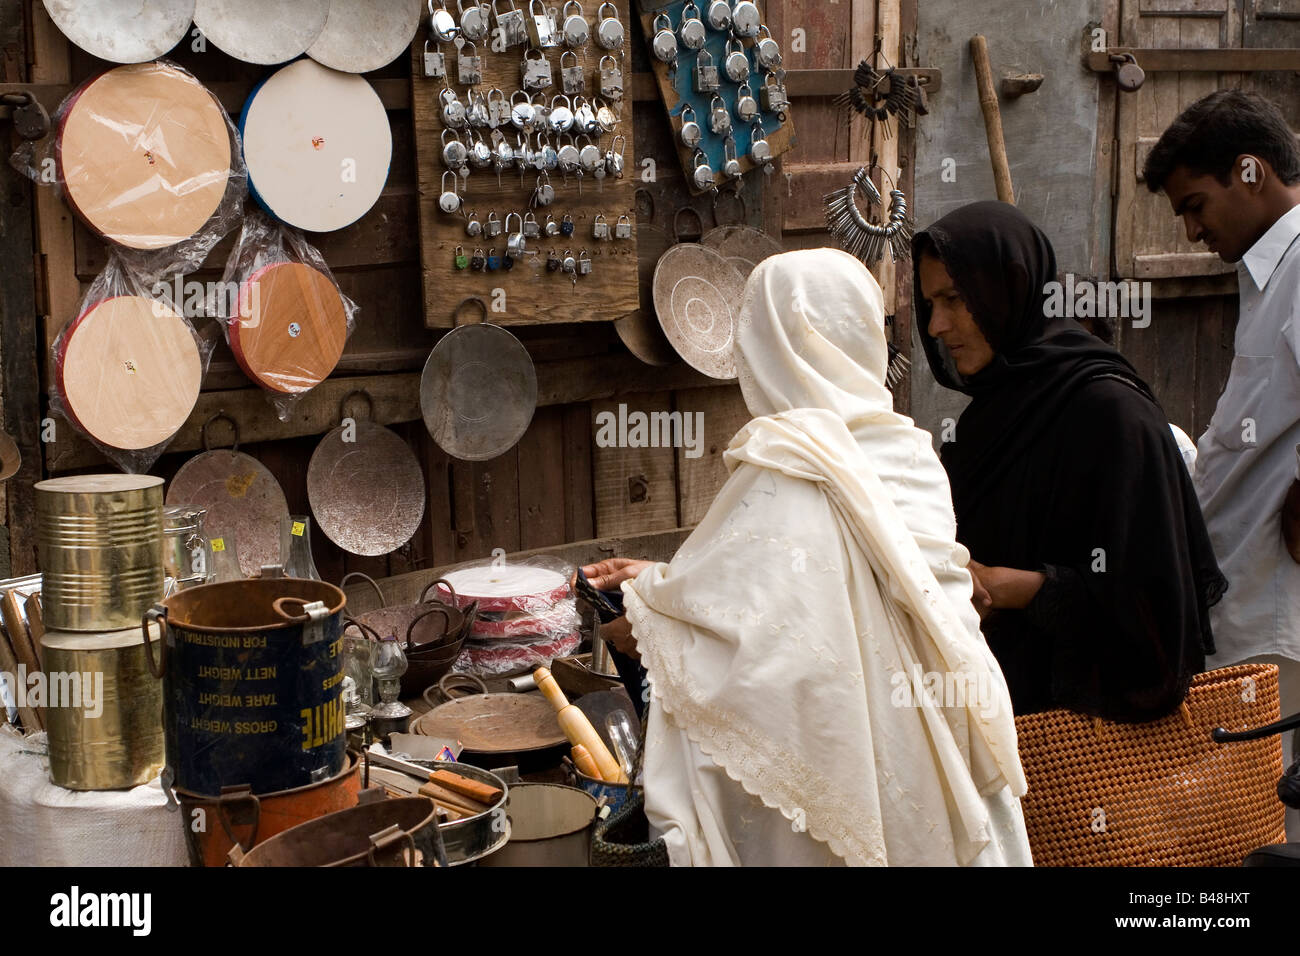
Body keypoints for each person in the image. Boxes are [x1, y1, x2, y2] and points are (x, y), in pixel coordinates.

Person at [586, 248, 1031, 866]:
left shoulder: (786, 458)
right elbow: (774, 591)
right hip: (934, 752)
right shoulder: (906, 451)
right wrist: (658, 584)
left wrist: (646, 616)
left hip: (818, 783)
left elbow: (753, 648)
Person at [912, 201, 1226, 723]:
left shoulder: (1112, 415)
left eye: (954, 299)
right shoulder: (991, 413)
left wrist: (1014, 586)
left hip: (1082, 740)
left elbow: (1152, 610)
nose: (938, 324)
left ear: (1008, 288)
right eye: (928, 304)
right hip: (989, 713)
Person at [1143, 89, 1300, 831]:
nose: (1192, 226)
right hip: (1244, 602)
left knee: (1274, 827)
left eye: (1196, 204)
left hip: (1280, 608)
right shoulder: (1267, 276)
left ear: (1251, 172)